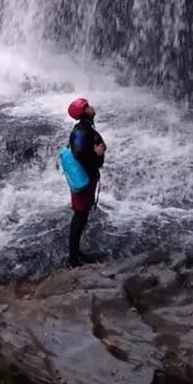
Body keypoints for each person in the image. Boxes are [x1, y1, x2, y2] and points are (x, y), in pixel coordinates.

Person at [66, 97, 106, 268]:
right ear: (84, 113)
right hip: (85, 178)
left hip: (87, 177)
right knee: (80, 216)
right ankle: (73, 259)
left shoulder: (85, 128)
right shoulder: (81, 131)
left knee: (82, 216)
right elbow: (79, 153)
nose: (91, 107)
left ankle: (76, 253)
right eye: (87, 106)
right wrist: (96, 153)